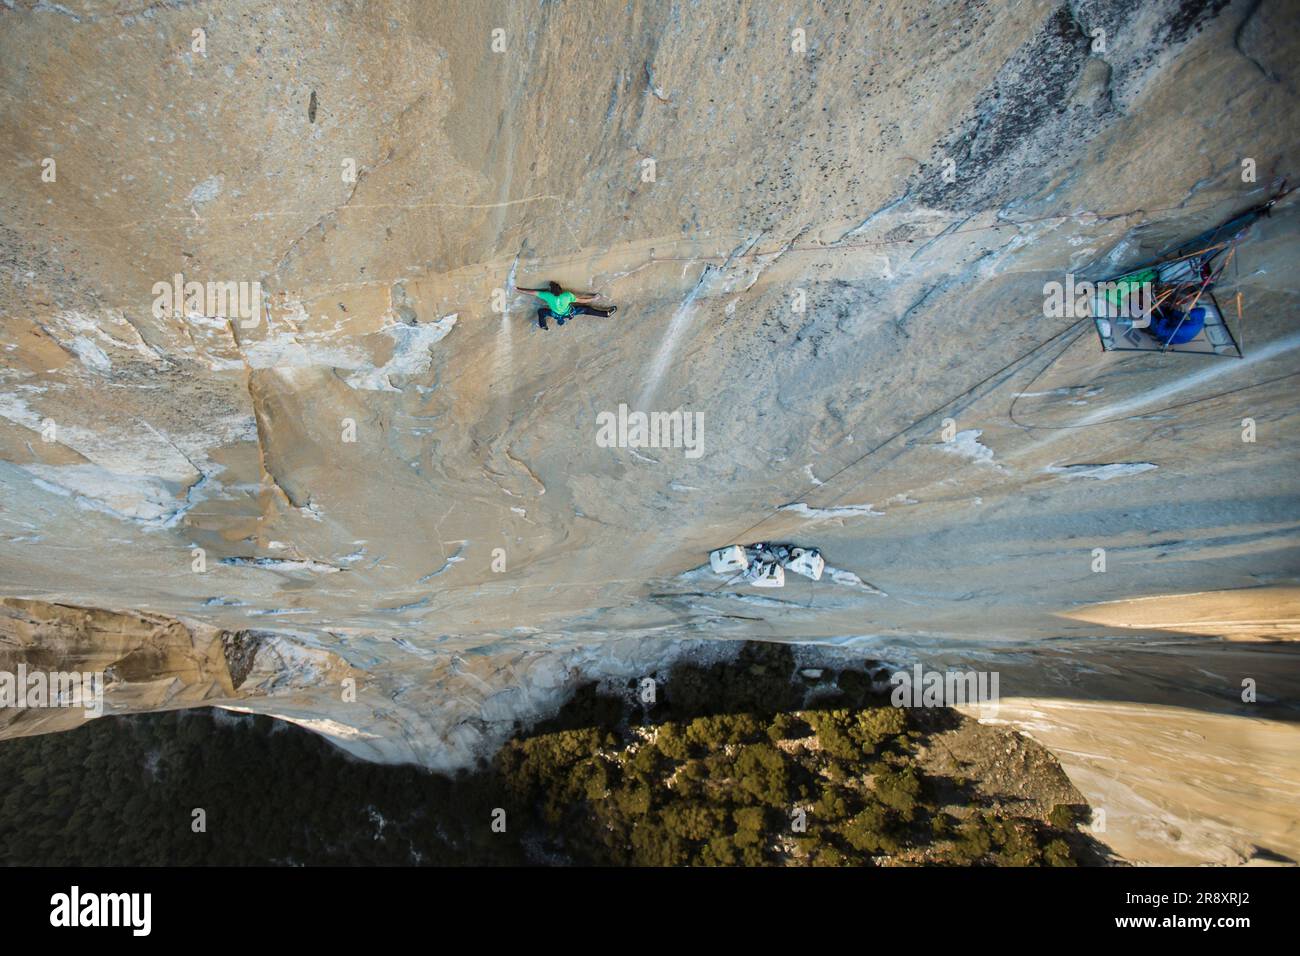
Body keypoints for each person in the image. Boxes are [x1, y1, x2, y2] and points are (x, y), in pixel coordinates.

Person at [516, 281, 617, 330]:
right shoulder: (567, 295)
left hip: (556, 315)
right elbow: (581, 301)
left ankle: (543, 326)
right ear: (560, 289)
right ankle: (606, 314)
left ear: (550, 291)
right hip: (569, 313)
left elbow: (532, 292)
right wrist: (594, 298)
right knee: (587, 310)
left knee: (541, 312)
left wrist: (518, 289)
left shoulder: (547, 295)